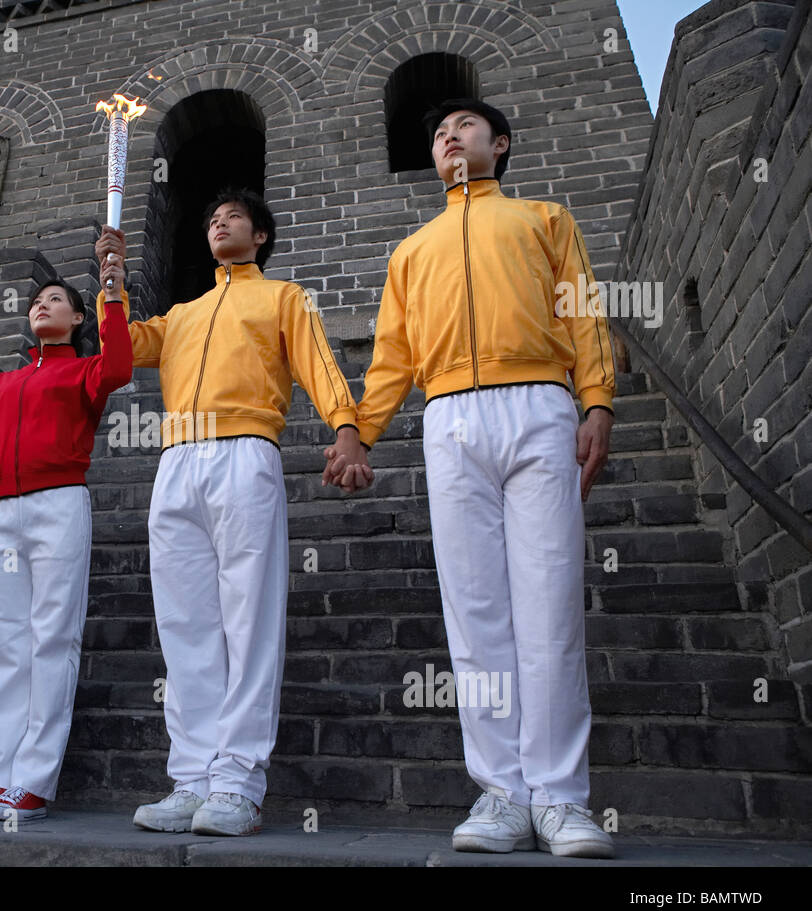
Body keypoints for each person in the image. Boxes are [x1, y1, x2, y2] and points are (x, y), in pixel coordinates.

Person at [326, 98, 617, 858]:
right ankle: (501, 793)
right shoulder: (411, 251)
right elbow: (393, 355)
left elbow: (584, 316)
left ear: (502, 144)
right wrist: (360, 431)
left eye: (465, 127)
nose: (449, 136)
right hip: (451, 416)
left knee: (550, 601)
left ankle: (560, 798)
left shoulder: (545, 219)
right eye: (438, 132)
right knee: (475, 609)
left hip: (541, 407)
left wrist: (598, 402)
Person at [95, 188, 363, 836]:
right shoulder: (183, 313)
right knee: (187, 628)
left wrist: (347, 426)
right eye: (213, 219)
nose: (220, 224)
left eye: (234, 218)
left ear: (260, 237)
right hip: (178, 463)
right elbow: (119, 357)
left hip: (246, 452)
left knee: (248, 623)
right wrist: (112, 288)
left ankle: (238, 783)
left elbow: (318, 363)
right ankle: (191, 780)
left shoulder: (281, 297)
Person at [0, 262, 132, 823]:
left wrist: (113, 296)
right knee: (5, 647)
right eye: (35, 302)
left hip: (58, 506)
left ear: (78, 318)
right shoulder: (3, 383)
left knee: (52, 639)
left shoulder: (87, 371)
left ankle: (33, 783)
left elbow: (122, 365)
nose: (41, 306)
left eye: (55, 300)